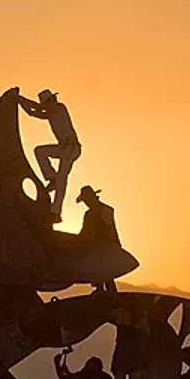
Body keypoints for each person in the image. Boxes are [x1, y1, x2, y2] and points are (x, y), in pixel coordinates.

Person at [20, 89, 80, 221]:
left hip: (71, 147)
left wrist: (19, 98)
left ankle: (56, 211)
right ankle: (51, 177)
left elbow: (36, 107)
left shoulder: (59, 108)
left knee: (62, 178)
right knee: (40, 151)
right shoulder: (50, 112)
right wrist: (19, 102)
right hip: (63, 148)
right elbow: (32, 113)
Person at [76, 185, 121, 293]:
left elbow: (110, 230)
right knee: (100, 274)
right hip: (94, 248)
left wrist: (114, 247)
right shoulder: (88, 214)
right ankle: (101, 291)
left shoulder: (105, 210)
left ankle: (110, 294)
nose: (86, 203)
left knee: (107, 275)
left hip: (106, 248)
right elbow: (84, 232)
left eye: (86, 200)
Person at [110, 305, 149, 379]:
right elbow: (147, 332)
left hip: (121, 349)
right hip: (134, 350)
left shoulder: (119, 312)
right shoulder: (141, 316)